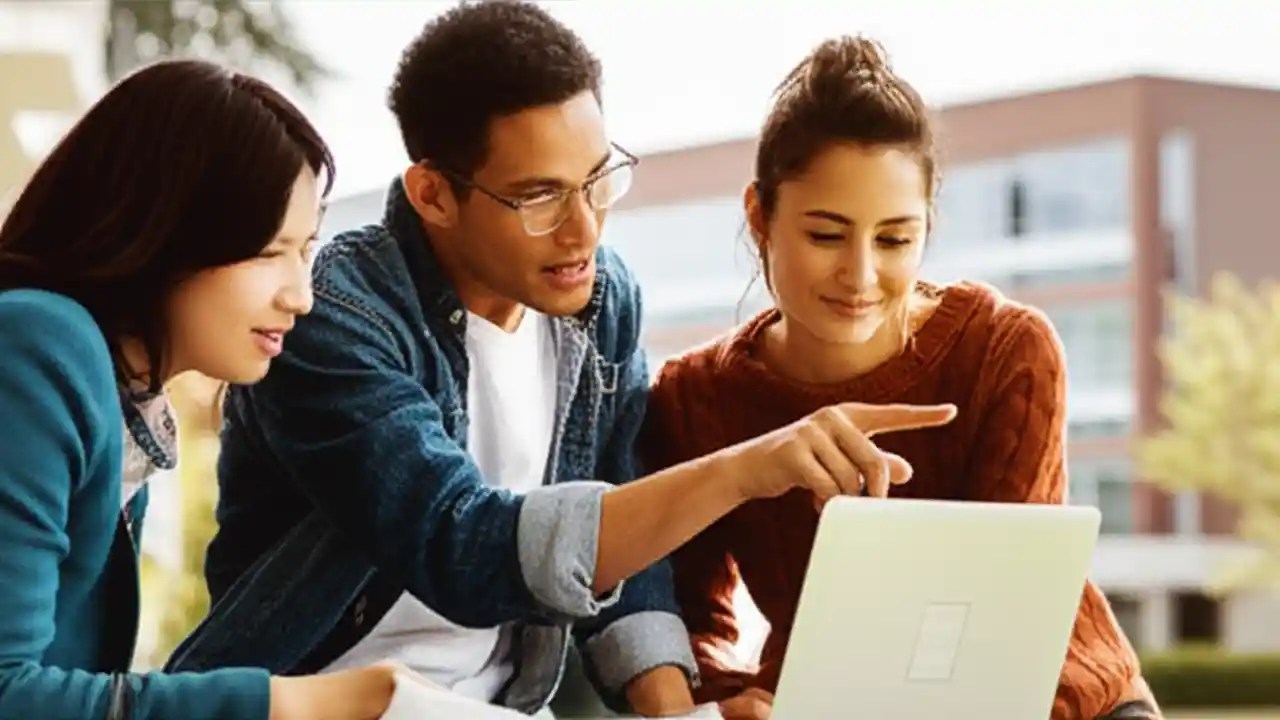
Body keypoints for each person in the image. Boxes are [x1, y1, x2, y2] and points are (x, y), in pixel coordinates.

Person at [164, 2, 956, 717]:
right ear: (434, 194)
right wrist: (745, 469)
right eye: (539, 197)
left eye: (598, 179)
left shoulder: (603, 301)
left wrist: (677, 717)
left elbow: (624, 534)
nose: (584, 232)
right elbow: (463, 547)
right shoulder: (336, 314)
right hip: (315, 702)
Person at [642, 37, 1163, 720]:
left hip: (1055, 702)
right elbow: (690, 618)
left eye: (893, 240)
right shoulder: (694, 396)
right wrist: (727, 701)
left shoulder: (1006, 350)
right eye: (826, 235)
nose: (860, 277)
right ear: (759, 217)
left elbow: (1008, 617)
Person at [0, 59, 413, 720]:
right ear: (166, 227)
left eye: (306, 251)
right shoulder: (39, 346)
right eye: (268, 252)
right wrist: (298, 705)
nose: (300, 296)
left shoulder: (121, 400)